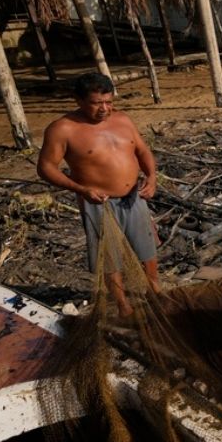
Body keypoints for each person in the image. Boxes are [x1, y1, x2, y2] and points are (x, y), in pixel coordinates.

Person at [37, 73, 160, 317]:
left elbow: (143, 150)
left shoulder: (123, 120)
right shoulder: (63, 128)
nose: (104, 109)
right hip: (98, 202)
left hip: (134, 196)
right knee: (110, 255)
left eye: (108, 102)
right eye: (96, 103)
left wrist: (152, 177)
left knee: (146, 247)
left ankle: (154, 292)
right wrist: (81, 189)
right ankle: (122, 304)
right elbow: (45, 168)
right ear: (79, 101)